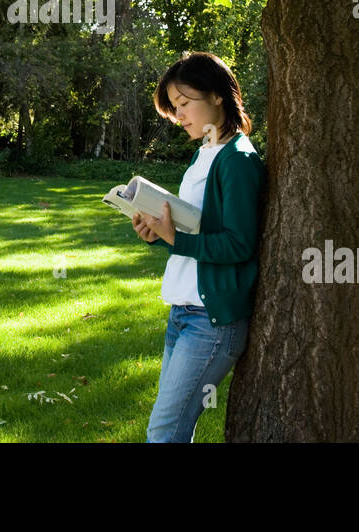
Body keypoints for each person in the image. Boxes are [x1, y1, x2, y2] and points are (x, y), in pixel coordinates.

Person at [132, 51, 266, 442]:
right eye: (174, 108)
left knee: (164, 432)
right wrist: (159, 235)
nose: (179, 116)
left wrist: (177, 239)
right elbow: (196, 233)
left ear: (218, 96)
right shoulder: (203, 154)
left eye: (185, 104)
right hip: (183, 314)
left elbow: (240, 245)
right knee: (171, 430)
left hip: (211, 322)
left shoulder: (237, 160)